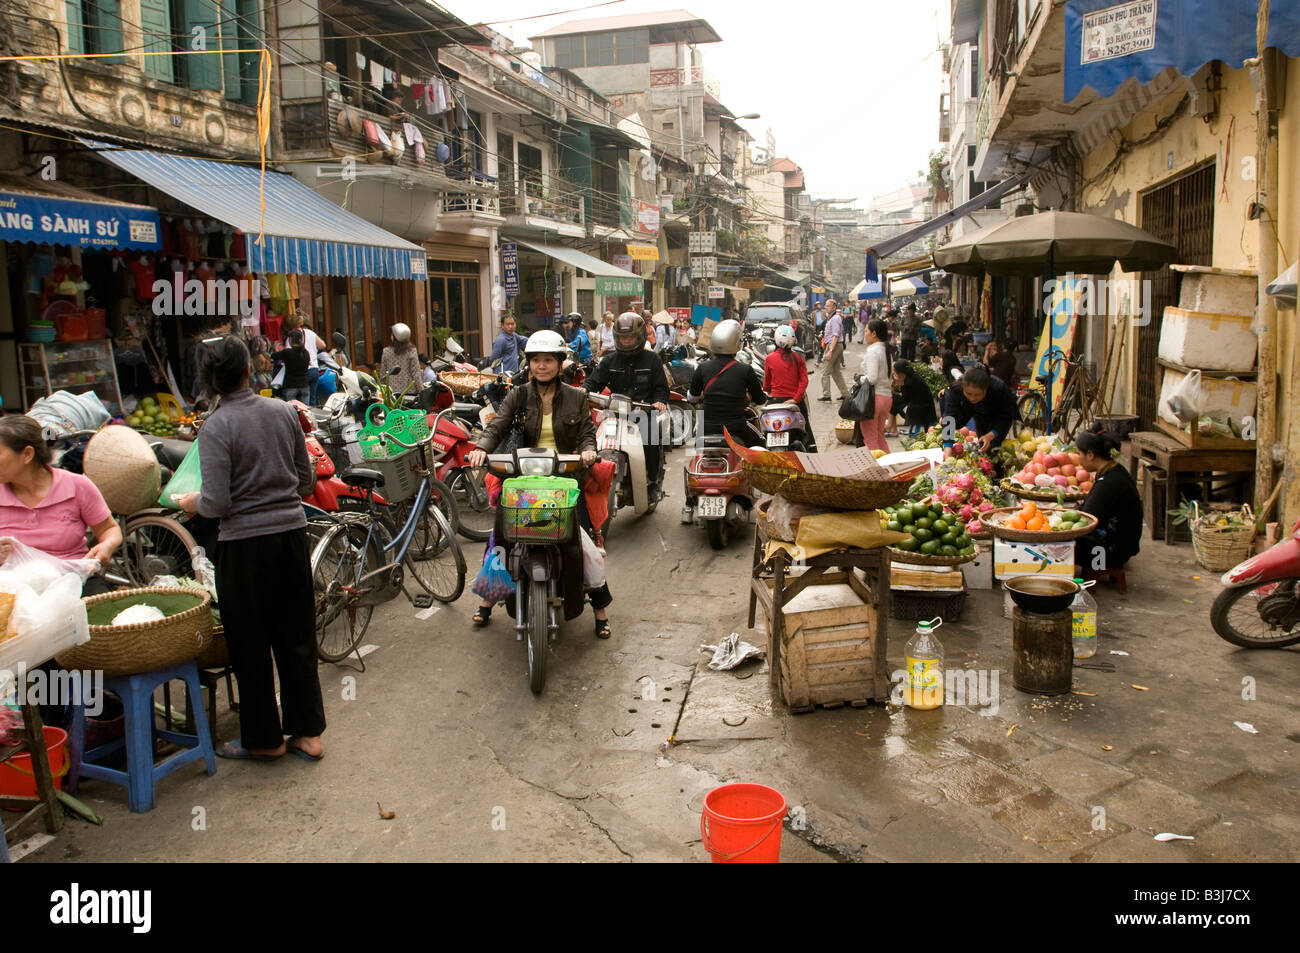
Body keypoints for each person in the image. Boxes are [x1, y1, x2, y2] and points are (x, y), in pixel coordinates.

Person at [175, 335, 324, 762]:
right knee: (297, 637)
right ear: (248, 370)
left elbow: (217, 503)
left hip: (242, 548)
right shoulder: (282, 412)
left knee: (251, 644)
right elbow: (304, 479)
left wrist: (191, 502)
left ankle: (265, 739)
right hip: (290, 537)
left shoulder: (216, 426)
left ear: (211, 380)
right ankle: (308, 734)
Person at [466, 330, 614, 639]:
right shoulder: (517, 395)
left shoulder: (577, 396)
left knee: (582, 546)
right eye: (536, 360)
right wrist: (482, 447)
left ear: (560, 364)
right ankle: (488, 599)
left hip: (565, 479)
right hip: (522, 478)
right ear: (529, 363)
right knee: (499, 539)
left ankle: (600, 609)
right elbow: (497, 425)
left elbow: (587, 432)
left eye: (548, 360)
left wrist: (589, 451)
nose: (541, 366)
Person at [0, 416, 122, 595]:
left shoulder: (77, 486)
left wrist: (107, 545)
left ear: (27, 454)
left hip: (74, 580)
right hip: (13, 588)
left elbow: (109, 529)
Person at [584, 312, 671, 501]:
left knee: (651, 438)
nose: (627, 341)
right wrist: (583, 391)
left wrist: (659, 402)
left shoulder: (652, 360)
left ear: (639, 336)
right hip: (615, 413)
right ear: (617, 338)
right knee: (595, 438)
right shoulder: (609, 360)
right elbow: (593, 382)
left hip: (644, 413)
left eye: (631, 336)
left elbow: (661, 389)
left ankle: (652, 482)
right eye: (623, 337)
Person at [1072, 426, 1142, 574]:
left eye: (1079, 453)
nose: (1077, 458)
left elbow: (1087, 520)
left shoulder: (1109, 482)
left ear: (1090, 454)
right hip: (1119, 544)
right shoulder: (1113, 470)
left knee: (1055, 545)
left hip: (1110, 553)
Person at [689, 318, 766, 447]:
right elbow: (760, 400)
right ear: (737, 343)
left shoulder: (702, 368)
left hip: (706, 428)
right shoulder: (745, 370)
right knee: (761, 444)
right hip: (736, 428)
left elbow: (692, 398)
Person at [940, 365, 1020, 455]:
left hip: (997, 417)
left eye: (977, 395)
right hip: (979, 416)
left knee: (994, 448)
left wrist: (990, 435)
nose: (972, 398)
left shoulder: (998, 389)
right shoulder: (955, 389)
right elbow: (949, 418)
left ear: (986, 390)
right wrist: (947, 449)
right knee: (982, 445)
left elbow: (1005, 418)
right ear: (963, 387)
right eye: (968, 393)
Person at [763, 324, 817, 451]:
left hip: (775, 401)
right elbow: (804, 381)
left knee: (764, 427)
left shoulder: (769, 358)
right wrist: (796, 399)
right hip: (794, 401)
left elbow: (766, 384)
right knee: (806, 428)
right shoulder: (798, 358)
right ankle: (812, 451)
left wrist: (768, 392)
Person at [858, 319, 894, 452]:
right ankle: (888, 468)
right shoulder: (885, 350)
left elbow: (872, 378)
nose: (865, 334)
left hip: (874, 399)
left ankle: (877, 469)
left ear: (874, 334)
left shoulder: (873, 351)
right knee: (879, 436)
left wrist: (860, 379)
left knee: (870, 440)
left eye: (866, 331)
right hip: (886, 398)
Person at [890, 360, 939, 433]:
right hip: (925, 410)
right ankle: (891, 426)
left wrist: (899, 383)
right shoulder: (912, 377)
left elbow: (905, 399)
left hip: (920, 411)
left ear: (900, 373)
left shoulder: (909, 382)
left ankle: (890, 425)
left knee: (894, 400)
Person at [818, 300, 848, 402]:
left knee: (824, 371)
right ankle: (845, 394)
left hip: (833, 345)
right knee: (836, 372)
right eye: (825, 306)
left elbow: (836, 335)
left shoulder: (835, 318)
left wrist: (830, 350)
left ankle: (826, 395)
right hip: (836, 345)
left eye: (828, 306)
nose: (826, 308)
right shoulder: (833, 318)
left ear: (834, 307)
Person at [380, 322, 420, 397]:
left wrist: (382, 390)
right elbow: (416, 373)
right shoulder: (411, 351)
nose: (391, 336)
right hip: (410, 391)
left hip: (392, 392)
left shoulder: (386, 351)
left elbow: (383, 374)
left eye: (392, 334)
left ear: (395, 337)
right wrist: (421, 391)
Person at [274, 329, 310, 404]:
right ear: (301, 339)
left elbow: (274, 356)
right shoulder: (306, 353)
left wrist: (276, 348)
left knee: (291, 411)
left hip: (290, 386)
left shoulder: (287, 352)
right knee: (305, 411)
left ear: (290, 340)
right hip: (304, 385)